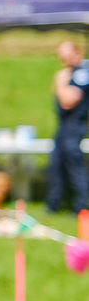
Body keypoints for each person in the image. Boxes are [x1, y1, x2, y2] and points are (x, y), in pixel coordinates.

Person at [46, 40, 89, 214]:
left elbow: (67, 100)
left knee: (75, 167)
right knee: (55, 165)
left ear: (76, 52)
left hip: (74, 126)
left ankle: (80, 206)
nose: (62, 57)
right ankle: (53, 205)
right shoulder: (69, 73)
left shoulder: (82, 73)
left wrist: (60, 82)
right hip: (63, 126)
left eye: (64, 53)